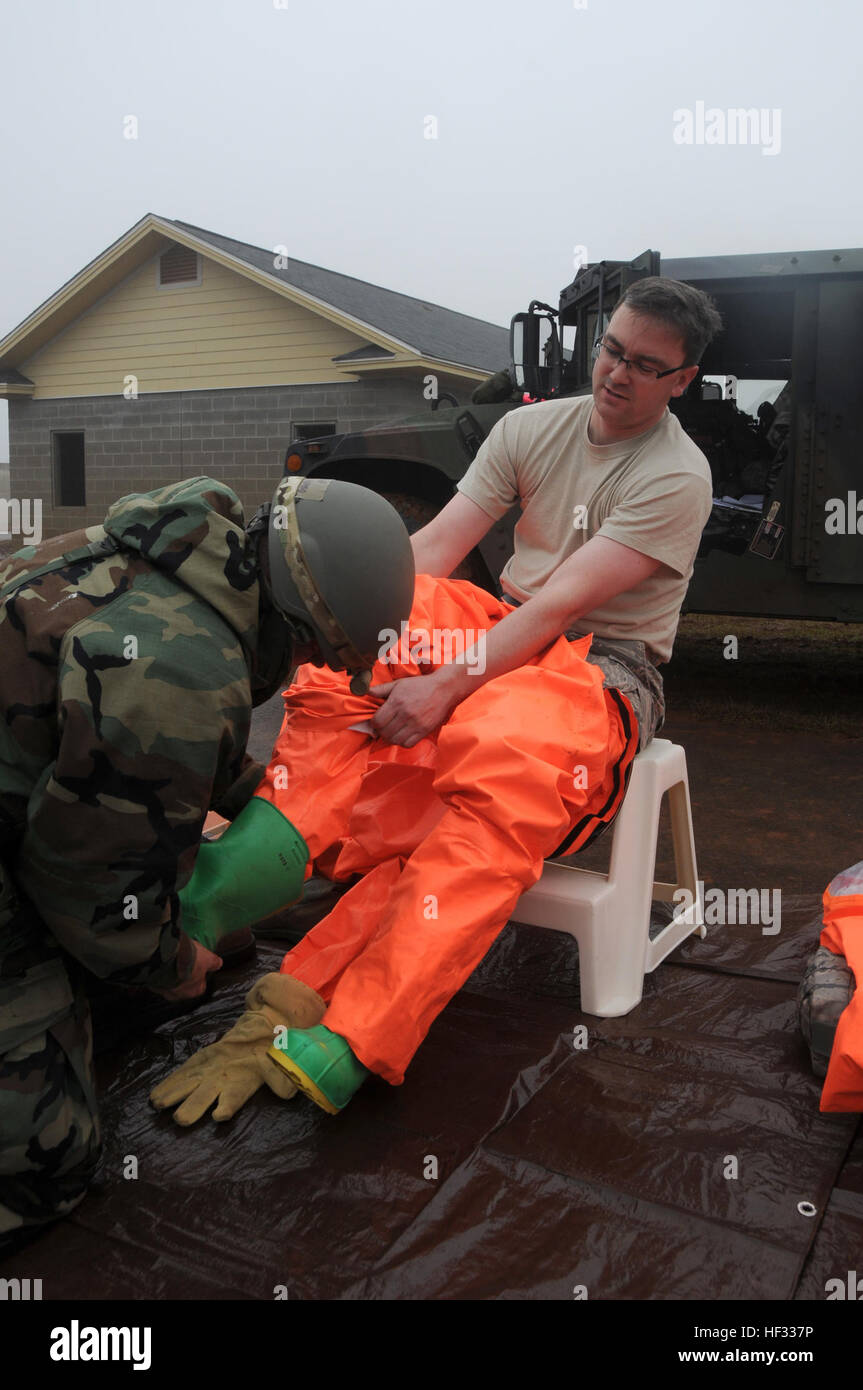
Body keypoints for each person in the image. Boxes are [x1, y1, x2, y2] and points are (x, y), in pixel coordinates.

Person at [155, 276, 723, 1119]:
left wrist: (444, 690)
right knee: (370, 632)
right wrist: (367, 631)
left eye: (646, 366)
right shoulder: (529, 425)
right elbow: (436, 547)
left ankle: (354, 1030)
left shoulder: (678, 475)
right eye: (611, 350)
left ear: (681, 380)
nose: (616, 374)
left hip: (603, 663)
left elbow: (560, 607)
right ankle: (245, 869)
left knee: (503, 753)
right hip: (501, 619)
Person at [0, 473, 414, 1247]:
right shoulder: (185, 669)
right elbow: (88, 882)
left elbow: (151, 753)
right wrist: (165, 965)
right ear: (293, 622)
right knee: (45, 1165)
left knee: (209, 940)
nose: (299, 667)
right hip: (35, 860)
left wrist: (278, 806)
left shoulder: (166, 562)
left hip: (26, 804)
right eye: (311, 651)